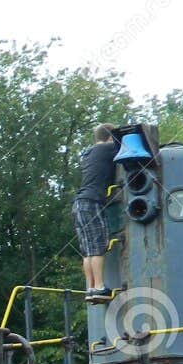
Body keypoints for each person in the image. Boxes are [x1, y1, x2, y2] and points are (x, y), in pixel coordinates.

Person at [75, 124, 120, 302]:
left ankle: (91, 288)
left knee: (87, 251)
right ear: (111, 137)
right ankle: (100, 287)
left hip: (79, 203)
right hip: (92, 202)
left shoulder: (89, 153)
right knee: (97, 246)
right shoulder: (108, 148)